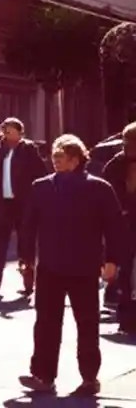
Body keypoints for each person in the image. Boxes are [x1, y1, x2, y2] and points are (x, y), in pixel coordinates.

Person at [18, 135, 125, 397]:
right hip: (50, 267)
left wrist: (112, 261)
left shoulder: (99, 188)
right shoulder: (41, 187)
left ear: (76, 160)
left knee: (87, 323)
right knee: (46, 323)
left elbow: (114, 228)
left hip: (84, 268)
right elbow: (28, 225)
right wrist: (26, 258)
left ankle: (89, 378)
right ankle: (43, 375)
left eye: (61, 156)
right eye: (53, 156)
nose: (54, 160)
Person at [0, 118, 49, 296]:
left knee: (26, 242)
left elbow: (41, 174)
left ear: (20, 132)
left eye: (10, 131)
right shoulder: (0, 149)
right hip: (4, 201)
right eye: (5, 131)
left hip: (24, 203)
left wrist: (38, 199)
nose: (7, 134)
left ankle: (28, 281)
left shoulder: (28, 149)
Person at [102, 123, 136, 312]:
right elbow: (107, 191)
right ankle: (125, 310)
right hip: (123, 222)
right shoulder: (116, 164)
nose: (127, 146)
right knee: (123, 265)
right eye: (126, 141)